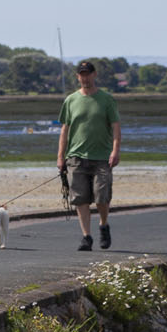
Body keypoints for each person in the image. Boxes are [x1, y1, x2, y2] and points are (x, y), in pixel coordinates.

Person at [56, 60, 121, 252]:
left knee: (102, 196)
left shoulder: (106, 99)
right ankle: (86, 236)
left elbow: (116, 127)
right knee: (80, 198)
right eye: (82, 74)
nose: (85, 77)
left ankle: (103, 224)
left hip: (102, 156)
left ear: (94, 75)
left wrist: (115, 150)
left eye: (88, 74)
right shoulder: (70, 100)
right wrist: (60, 157)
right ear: (78, 77)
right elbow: (64, 130)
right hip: (76, 156)